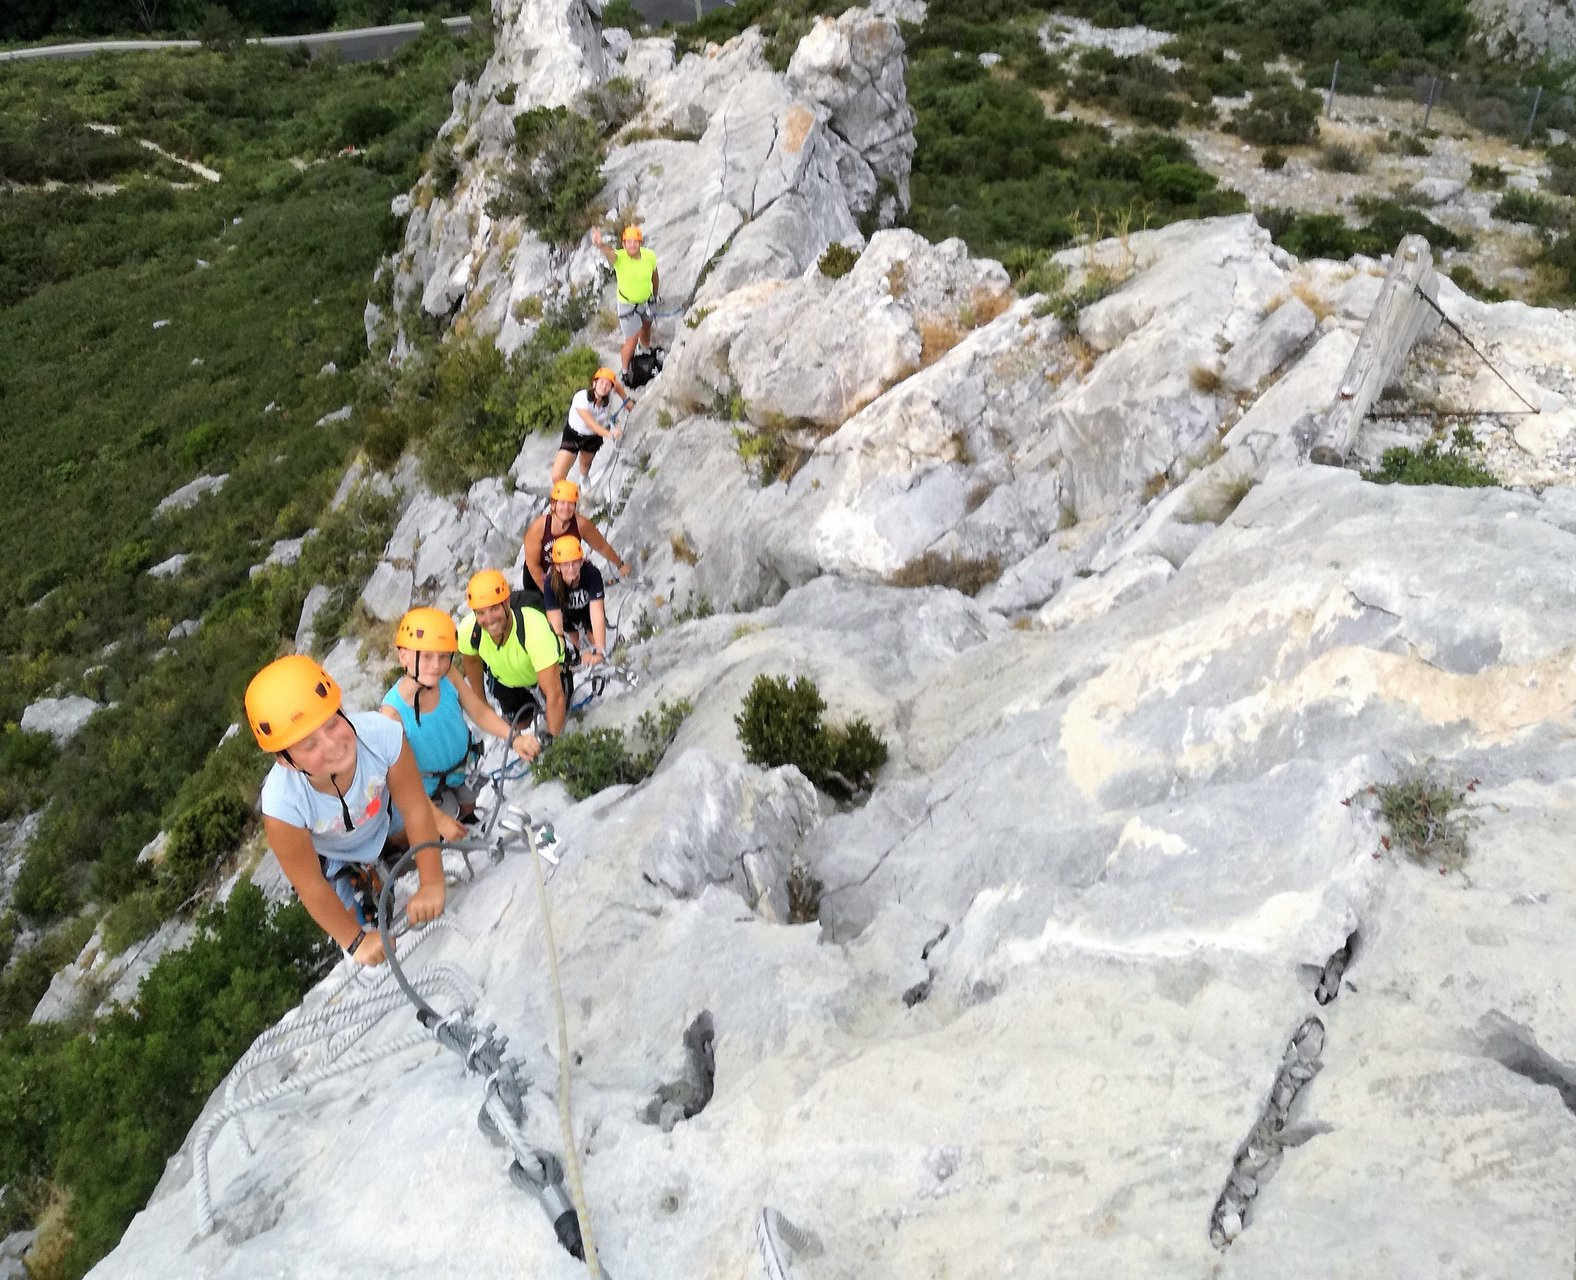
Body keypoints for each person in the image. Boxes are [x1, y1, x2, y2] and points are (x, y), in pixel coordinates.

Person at [247, 654, 444, 967]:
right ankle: (368, 874)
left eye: (332, 723)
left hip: (384, 816)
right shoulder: (282, 803)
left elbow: (416, 808)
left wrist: (431, 883)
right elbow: (309, 884)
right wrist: (356, 941)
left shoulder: (381, 735)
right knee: (358, 923)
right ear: (285, 760)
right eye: (308, 745)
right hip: (337, 854)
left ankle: (387, 856)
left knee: (424, 836)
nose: (331, 744)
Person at [381, 607, 541, 823]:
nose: (436, 666)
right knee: (449, 814)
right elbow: (400, 780)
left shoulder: (447, 676)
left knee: (467, 803)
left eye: (443, 656)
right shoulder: (392, 713)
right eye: (427, 656)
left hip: (464, 768)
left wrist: (514, 739)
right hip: (428, 787)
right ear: (404, 656)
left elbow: (479, 712)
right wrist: (437, 820)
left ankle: (468, 817)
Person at [456, 568, 569, 738]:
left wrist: (553, 742)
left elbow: (555, 696)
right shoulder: (469, 631)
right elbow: (471, 661)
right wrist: (482, 703)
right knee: (521, 722)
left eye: (494, 608)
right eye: (481, 613)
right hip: (506, 678)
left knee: (561, 712)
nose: (489, 619)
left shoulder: (533, 628)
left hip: (546, 670)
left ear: (507, 602)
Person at [522, 478, 630, 594]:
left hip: (567, 572)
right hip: (538, 578)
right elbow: (533, 566)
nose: (566, 508)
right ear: (553, 505)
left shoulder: (581, 525)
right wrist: (548, 593)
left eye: (570, 504)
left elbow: (601, 546)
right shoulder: (538, 528)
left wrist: (620, 565)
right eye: (562, 503)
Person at [591, 224, 659, 383]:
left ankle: (645, 349)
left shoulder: (649, 256)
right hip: (628, 305)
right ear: (623, 244)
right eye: (629, 242)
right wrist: (600, 245)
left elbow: (655, 276)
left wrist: (655, 295)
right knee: (631, 339)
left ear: (640, 243)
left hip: (646, 301)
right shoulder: (620, 258)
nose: (632, 245)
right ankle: (625, 370)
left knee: (646, 326)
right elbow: (610, 254)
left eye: (635, 242)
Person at [552, 367, 630, 486]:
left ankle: (584, 480)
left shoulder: (609, 394)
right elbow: (591, 424)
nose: (604, 387)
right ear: (594, 383)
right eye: (601, 383)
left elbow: (617, 385)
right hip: (574, 435)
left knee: (585, 464)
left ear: (611, 388)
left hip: (593, 437)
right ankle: (566, 493)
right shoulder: (581, 399)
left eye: (607, 385)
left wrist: (626, 400)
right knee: (557, 476)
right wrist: (611, 434)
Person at [543, 536, 608, 668]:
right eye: (566, 564)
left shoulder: (592, 574)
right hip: (566, 615)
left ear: (581, 562)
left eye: (575, 563)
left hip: (587, 610)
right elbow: (556, 627)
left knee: (594, 640)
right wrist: (564, 657)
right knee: (577, 644)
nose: (571, 568)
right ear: (558, 567)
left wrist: (600, 651)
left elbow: (597, 614)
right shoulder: (550, 584)